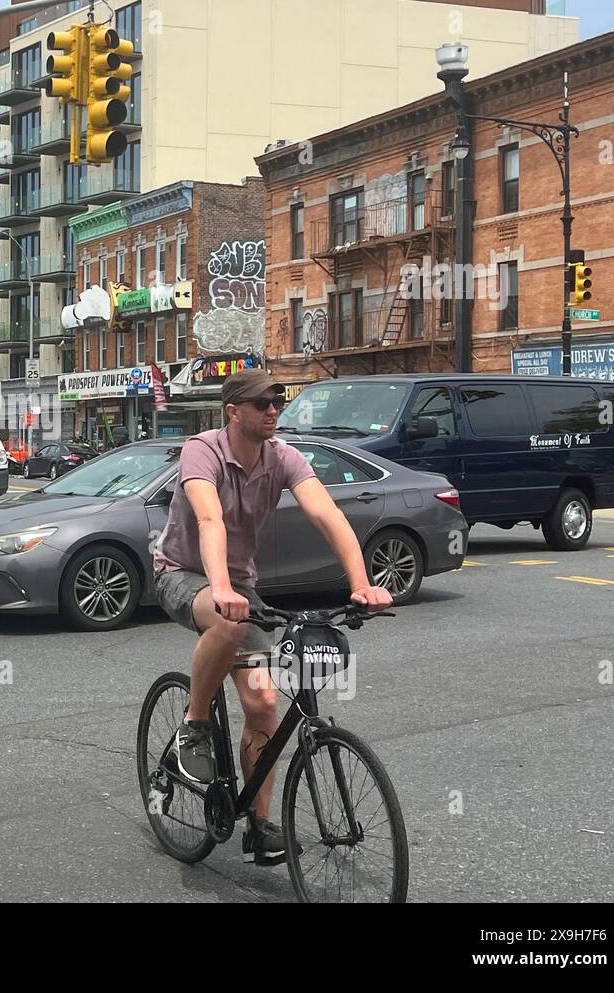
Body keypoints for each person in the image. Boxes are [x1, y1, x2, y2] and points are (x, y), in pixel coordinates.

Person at [152, 370, 393, 865]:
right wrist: (219, 586)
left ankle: (259, 828)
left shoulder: (283, 457)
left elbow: (328, 515)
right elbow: (209, 518)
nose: (272, 410)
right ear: (233, 411)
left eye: (277, 402)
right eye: (262, 403)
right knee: (228, 622)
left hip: (241, 586)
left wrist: (360, 583)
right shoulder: (204, 450)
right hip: (183, 573)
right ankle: (194, 726)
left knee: (263, 702)